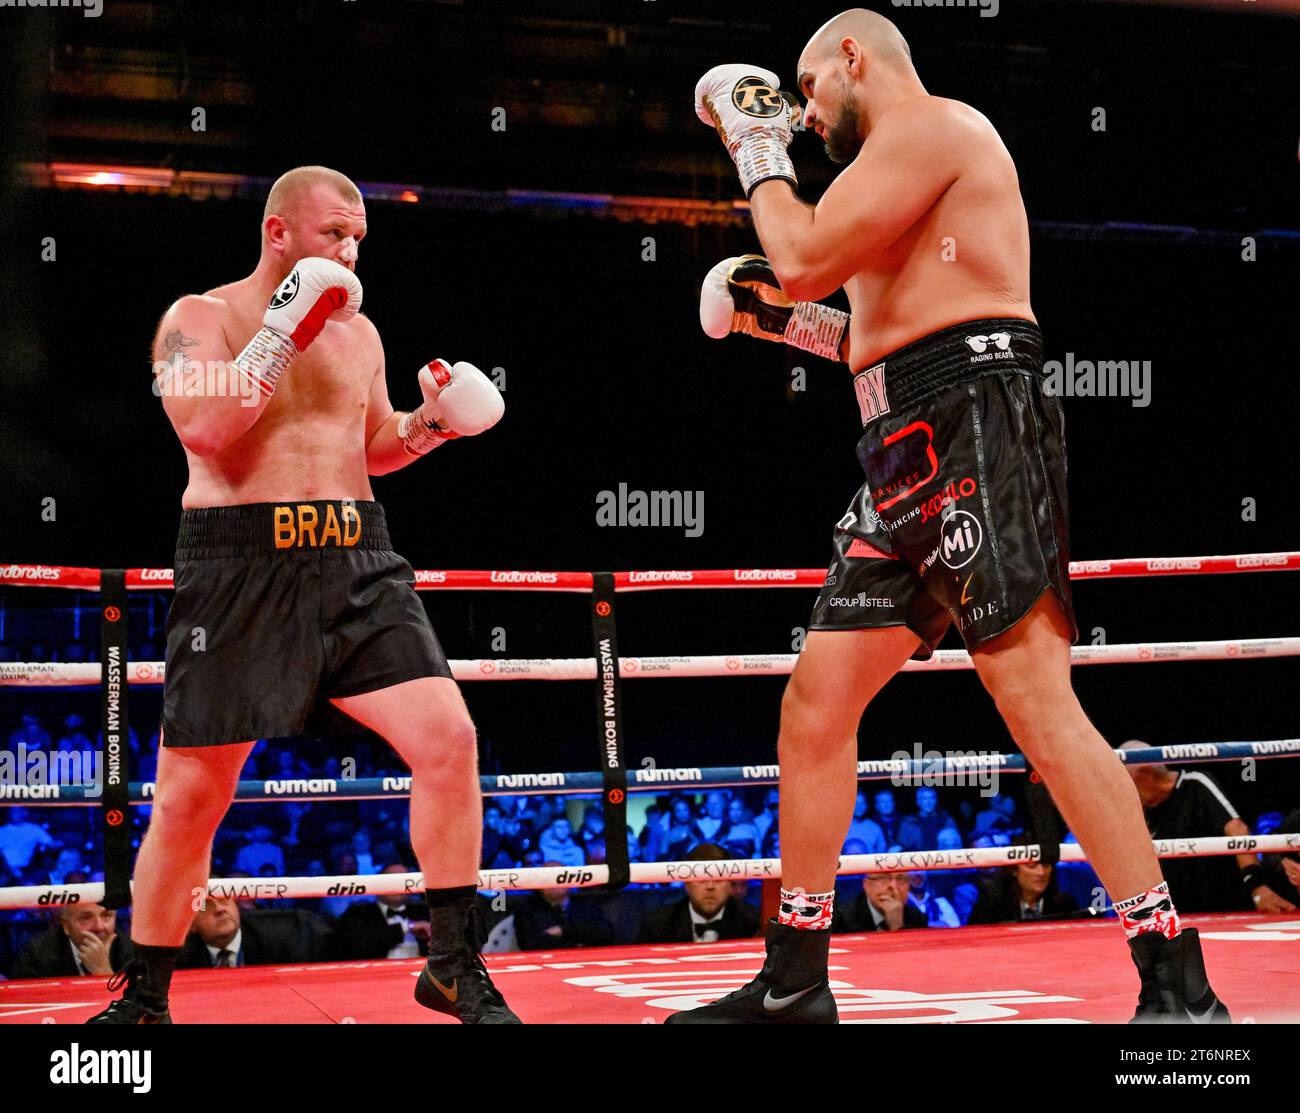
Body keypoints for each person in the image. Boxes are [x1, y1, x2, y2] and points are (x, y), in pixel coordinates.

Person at [671, 10, 1228, 1023]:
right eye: (783, 106)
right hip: (901, 446)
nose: (799, 111)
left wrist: (752, 148)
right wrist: (771, 320)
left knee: (1035, 707)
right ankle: (795, 977)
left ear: (854, 59)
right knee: (815, 706)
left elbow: (800, 258)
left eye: (804, 88)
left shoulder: (934, 128)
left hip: (979, 426)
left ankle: (1174, 979)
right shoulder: (882, 182)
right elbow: (876, 336)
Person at [89, 165, 516, 1024]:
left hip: (357, 556)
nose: (350, 250)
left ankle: (451, 962)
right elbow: (206, 427)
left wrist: (433, 424)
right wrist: (287, 324)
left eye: (359, 236)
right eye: (333, 234)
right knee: (189, 797)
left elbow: (372, 446)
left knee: (449, 739)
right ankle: (143, 997)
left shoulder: (360, 337)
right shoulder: (198, 318)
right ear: (279, 233)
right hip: (239, 564)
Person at [1121, 741, 1294, 914]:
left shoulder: (1195, 783)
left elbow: (1237, 829)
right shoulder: (1137, 808)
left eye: (1125, 778)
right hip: (1175, 911)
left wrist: (1257, 888)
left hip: (1224, 905)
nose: (1122, 787)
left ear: (1144, 770)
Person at [636, 844, 762, 943]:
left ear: (730, 883)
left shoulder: (753, 921)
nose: (710, 886)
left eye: (718, 879)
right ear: (686, 884)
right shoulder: (657, 924)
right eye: (701, 879)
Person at [12, 896, 132, 979]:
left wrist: (103, 972)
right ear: (66, 925)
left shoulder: (128, 950)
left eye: (106, 916)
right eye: (86, 918)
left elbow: (137, 1008)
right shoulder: (37, 953)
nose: (99, 926)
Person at [512, 869, 615, 951]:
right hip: (547, 964)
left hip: (588, 961)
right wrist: (578, 941)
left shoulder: (585, 905)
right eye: (554, 878)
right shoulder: (528, 910)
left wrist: (564, 930)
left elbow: (605, 933)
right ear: (541, 884)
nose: (559, 881)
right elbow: (530, 944)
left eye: (562, 876)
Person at [968, 859, 1081, 924]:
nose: (1041, 873)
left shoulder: (1065, 904)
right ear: (1014, 870)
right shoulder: (991, 905)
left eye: (1046, 865)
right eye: (1031, 865)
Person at [833, 872, 926, 933]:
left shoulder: (917, 917)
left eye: (900, 879)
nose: (893, 886)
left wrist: (897, 926)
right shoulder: (843, 917)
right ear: (866, 884)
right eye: (884, 878)